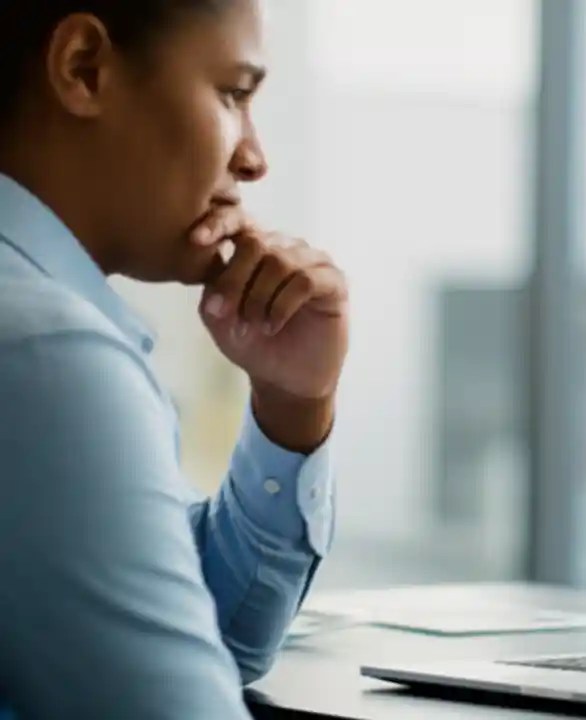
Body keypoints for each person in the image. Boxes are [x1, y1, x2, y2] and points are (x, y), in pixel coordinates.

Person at [0, 1, 347, 717]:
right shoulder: (46, 355)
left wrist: (293, 407)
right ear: (83, 69)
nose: (254, 156)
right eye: (232, 93)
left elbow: (198, 632)